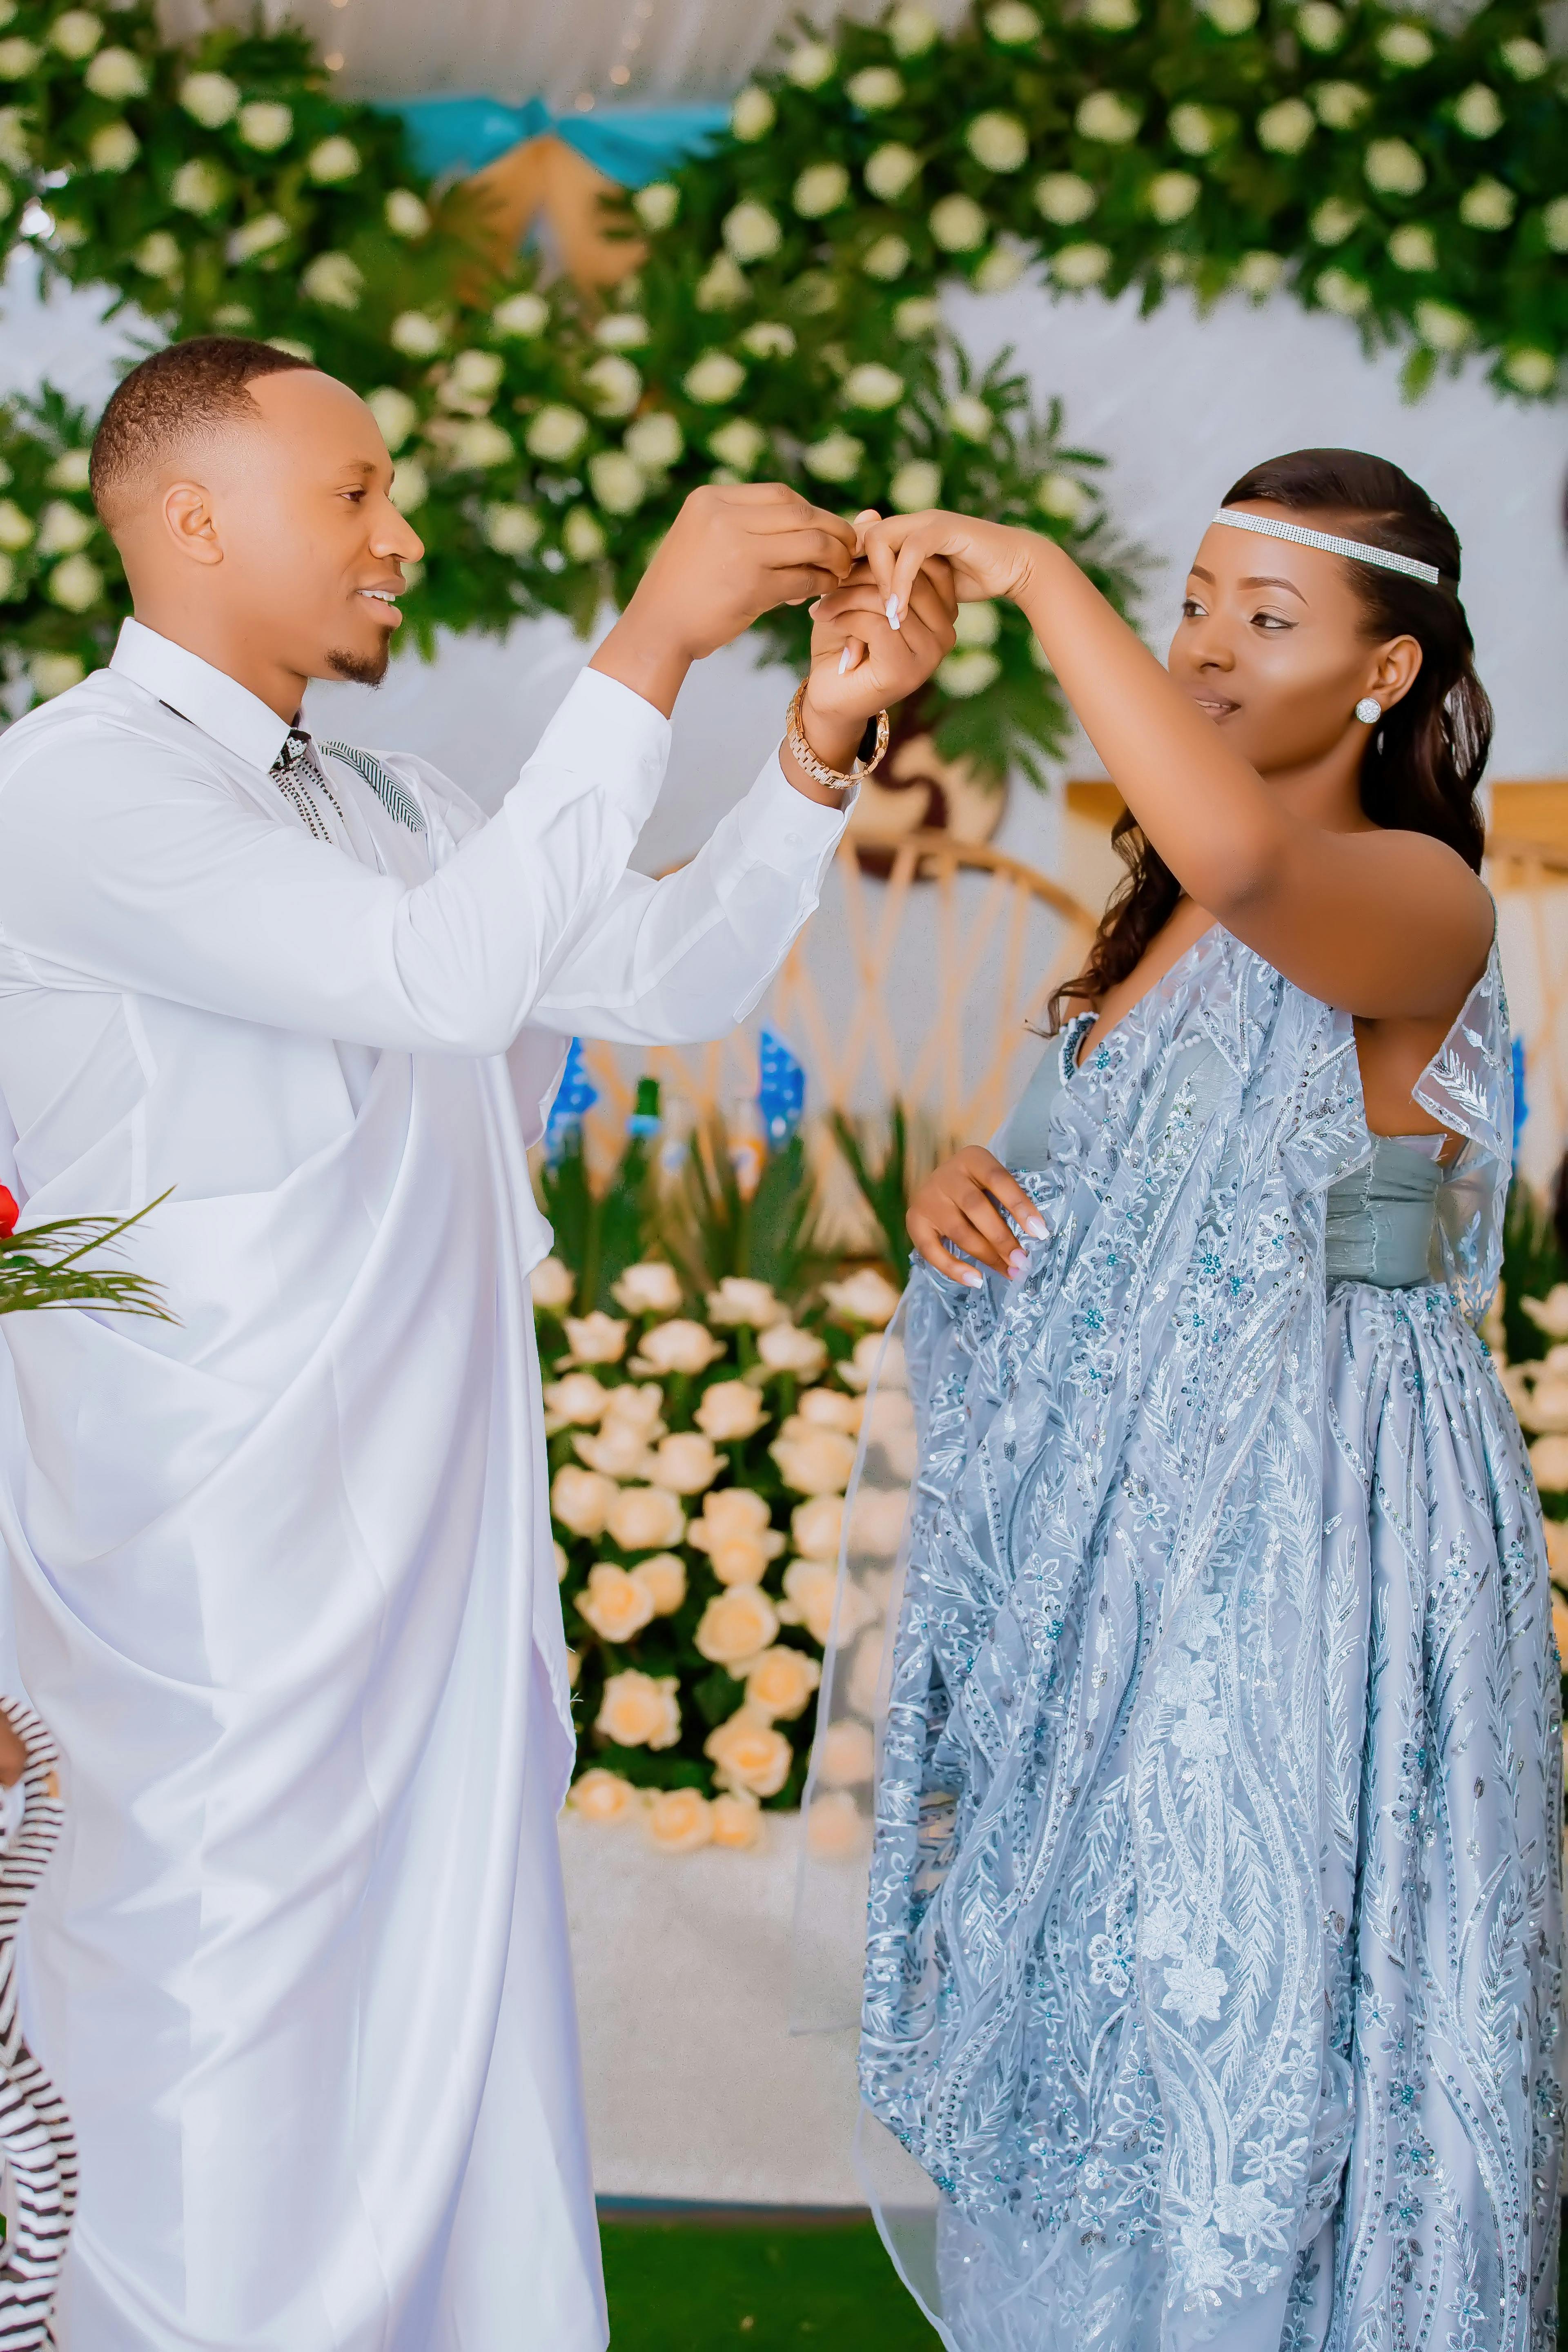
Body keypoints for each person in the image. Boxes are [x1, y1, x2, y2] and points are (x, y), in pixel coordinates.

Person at [0, 334, 959, 2350]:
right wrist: (646, 643)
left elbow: (669, 977)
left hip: (421, 1537)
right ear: (190, 521)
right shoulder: (73, 790)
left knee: (445, 2053)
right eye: (352, 493)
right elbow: (436, 985)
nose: (401, 534)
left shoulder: (391, 794)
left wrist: (809, 752)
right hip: (202, 1583)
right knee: (215, 2078)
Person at [811, 452, 1562, 2350]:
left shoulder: (1416, 896)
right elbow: (1105, 1194)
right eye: (1197, 601)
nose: (1212, 643)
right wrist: (960, 1192)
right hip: (1123, 1523)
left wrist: (1046, 584)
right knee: (1114, 1991)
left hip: (1317, 1519)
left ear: (1387, 676)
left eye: (1267, 615)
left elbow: (1253, 861)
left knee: (1258, 1985)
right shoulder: (1141, 933)